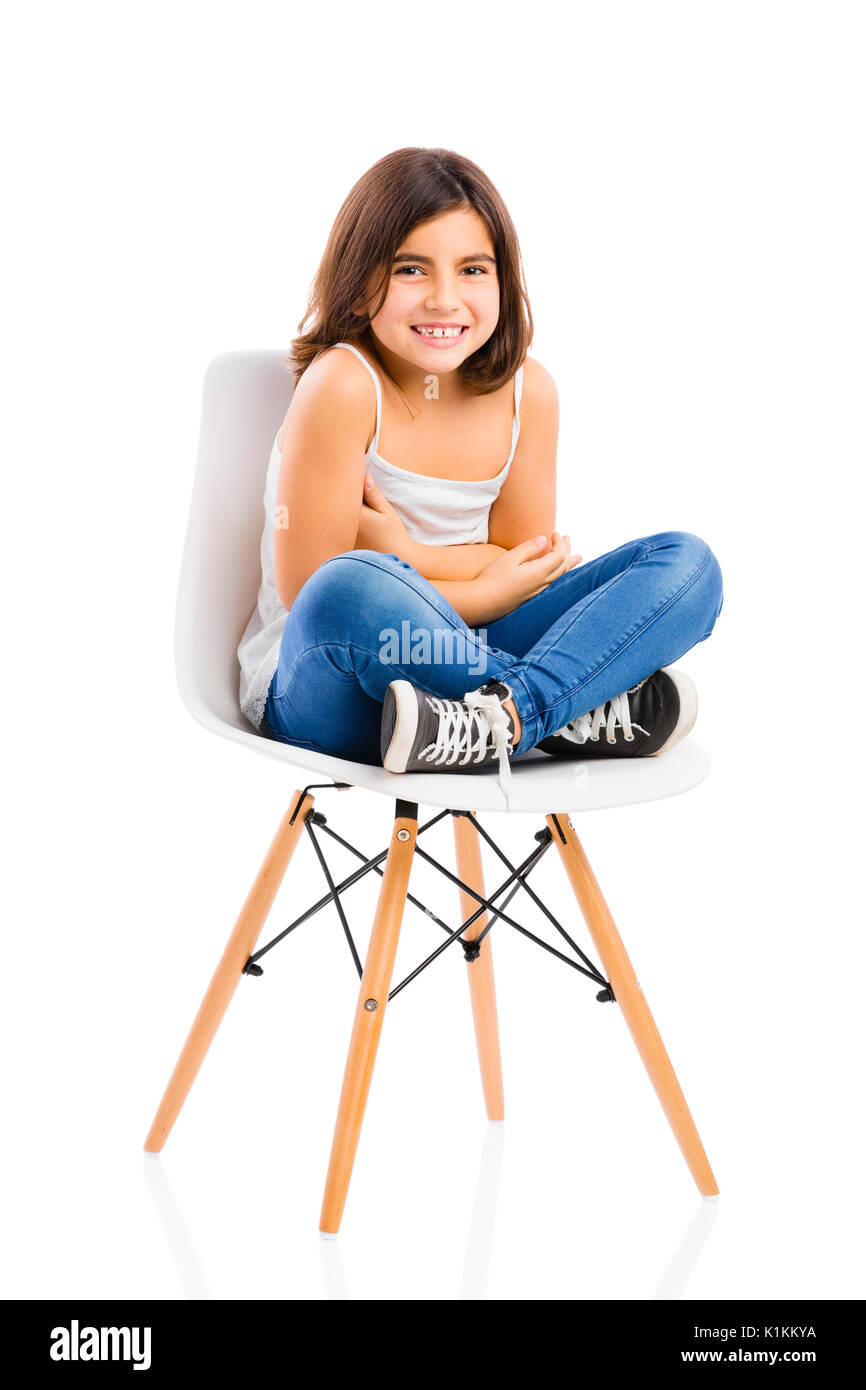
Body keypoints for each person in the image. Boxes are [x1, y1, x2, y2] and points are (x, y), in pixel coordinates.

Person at [237, 147, 724, 805]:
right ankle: (563, 713)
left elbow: (525, 572)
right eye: (411, 268)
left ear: (504, 282)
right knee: (352, 585)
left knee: (688, 566)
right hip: (336, 690)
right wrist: (472, 586)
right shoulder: (343, 386)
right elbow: (310, 591)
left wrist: (411, 555)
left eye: (472, 269)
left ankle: (510, 716)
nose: (445, 298)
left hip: (452, 696)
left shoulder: (530, 392)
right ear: (358, 284)